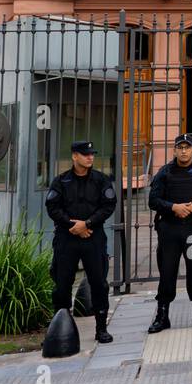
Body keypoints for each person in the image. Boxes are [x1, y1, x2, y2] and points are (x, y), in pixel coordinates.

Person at [147, 134, 192, 333]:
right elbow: (153, 201)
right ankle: (162, 316)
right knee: (167, 272)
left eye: (187, 147)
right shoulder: (164, 173)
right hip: (170, 230)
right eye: (180, 147)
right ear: (174, 150)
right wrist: (173, 207)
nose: (183, 151)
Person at [46, 140, 116, 344]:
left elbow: (108, 205)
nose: (90, 157)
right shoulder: (61, 181)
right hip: (67, 239)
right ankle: (60, 329)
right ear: (74, 156)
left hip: (93, 238)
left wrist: (87, 224)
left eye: (92, 154)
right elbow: (52, 207)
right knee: (62, 285)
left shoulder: (101, 180)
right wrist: (72, 225)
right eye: (85, 154)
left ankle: (101, 329)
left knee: (99, 284)